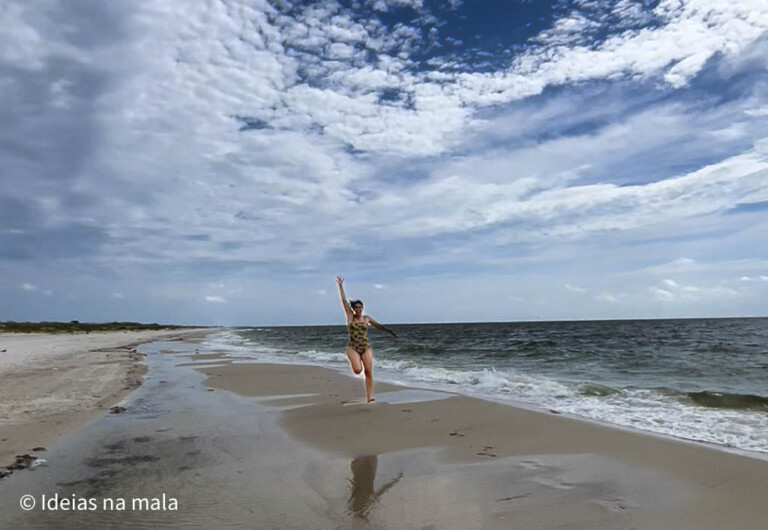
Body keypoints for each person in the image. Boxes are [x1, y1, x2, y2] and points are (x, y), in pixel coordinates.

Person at [336, 276, 397, 403]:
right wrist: (340, 286)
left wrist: (389, 331)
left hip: (365, 347)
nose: (358, 309)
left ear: (362, 308)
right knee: (358, 370)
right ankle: (353, 361)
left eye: (360, 307)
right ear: (353, 308)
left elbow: (378, 326)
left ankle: (369, 397)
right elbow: (343, 300)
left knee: (369, 372)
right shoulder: (350, 317)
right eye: (356, 307)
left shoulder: (366, 319)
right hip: (352, 347)